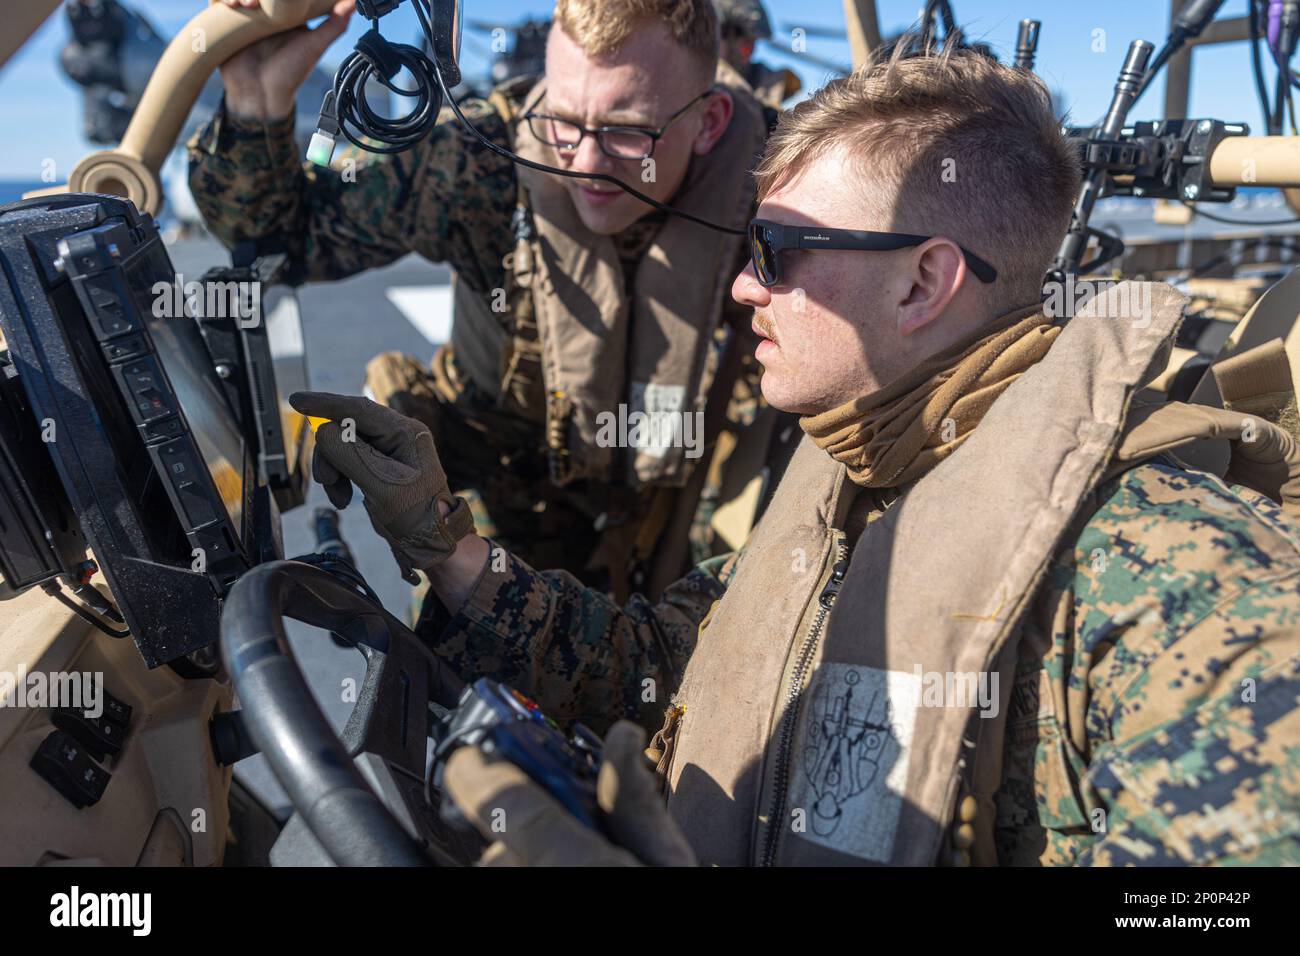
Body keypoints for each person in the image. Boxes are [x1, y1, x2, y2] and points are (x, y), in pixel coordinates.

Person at [291, 45, 1300, 865]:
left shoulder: (1167, 564)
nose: (742, 290)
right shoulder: (858, 479)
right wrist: (443, 543)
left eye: (778, 253)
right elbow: (656, 661)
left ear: (921, 284)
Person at [188, 0, 774, 596]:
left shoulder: (783, 191)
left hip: (689, 512)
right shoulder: (476, 162)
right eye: (565, 122)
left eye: (627, 131)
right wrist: (256, 103)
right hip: (498, 503)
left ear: (709, 122)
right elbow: (276, 237)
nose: (588, 165)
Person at [713, 0, 800, 108]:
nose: (750, 49)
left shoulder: (766, 81)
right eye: (742, 38)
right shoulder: (696, 81)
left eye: (752, 41)